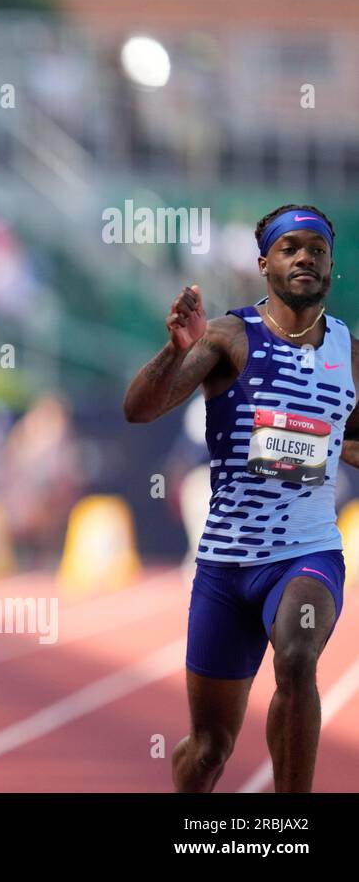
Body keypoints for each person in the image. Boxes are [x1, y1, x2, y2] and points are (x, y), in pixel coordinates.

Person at [124, 204, 350, 792]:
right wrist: (175, 350)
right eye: (290, 248)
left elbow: (354, 444)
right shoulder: (230, 336)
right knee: (208, 749)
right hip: (226, 565)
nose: (305, 258)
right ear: (264, 263)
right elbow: (140, 409)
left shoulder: (350, 353)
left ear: (331, 267)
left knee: (298, 659)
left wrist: (324, 449)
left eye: (317, 250)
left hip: (307, 552)